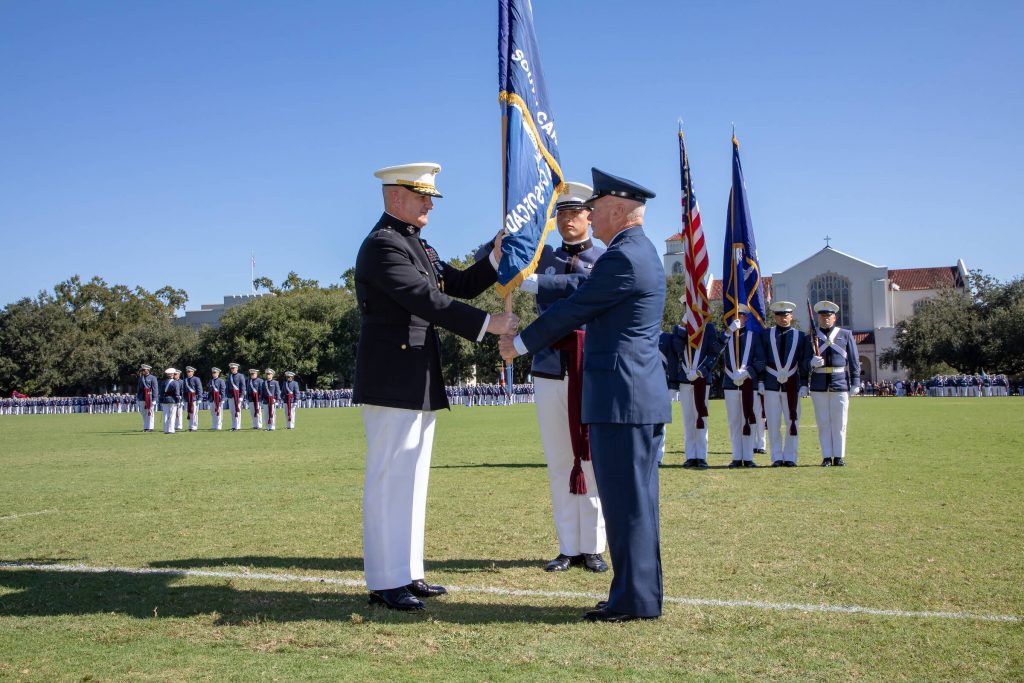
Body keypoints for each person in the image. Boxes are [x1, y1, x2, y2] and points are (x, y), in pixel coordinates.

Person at [500, 167, 670, 623]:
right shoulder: (636, 251)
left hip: (623, 397)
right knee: (634, 503)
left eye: (596, 209)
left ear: (617, 209)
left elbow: (576, 306)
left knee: (627, 504)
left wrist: (518, 343)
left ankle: (633, 599)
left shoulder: (622, 256)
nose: (591, 216)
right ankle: (635, 594)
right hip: (631, 395)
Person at [353, 162, 517, 611]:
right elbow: (428, 300)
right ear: (395, 197)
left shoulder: (414, 245)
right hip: (392, 380)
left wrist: (497, 256)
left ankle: (407, 572)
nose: (430, 204)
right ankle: (385, 581)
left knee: (412, 479)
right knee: (390, 479)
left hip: (417, 378)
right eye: (422, 195)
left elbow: (457, 283)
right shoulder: (383, 247)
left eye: (430, 197)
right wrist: (488, 323)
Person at [514, 182, 608, 574]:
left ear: (590, 216)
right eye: (562, 214)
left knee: (590, 458)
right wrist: (510, 233)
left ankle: (594, 546)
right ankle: (568, 545)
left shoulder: (605, 256)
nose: (568, 220)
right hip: (551, 365)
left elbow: (590, 289)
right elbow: (502, 261)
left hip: (591, 368)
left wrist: (543, 283)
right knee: (558, 459)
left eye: (576, 213)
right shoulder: (543, 255)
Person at [802, 300, 861, 466]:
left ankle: (839, 456)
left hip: (840, 383)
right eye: (822, 316)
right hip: (819, 385)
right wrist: (810, 363)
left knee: (840, 422)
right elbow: (803, 363)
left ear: (834, 318)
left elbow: (854, 360)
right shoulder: (811, 338)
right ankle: (827, 456)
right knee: (823, 422)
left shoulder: (845, 335)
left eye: (828, 316)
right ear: (818, 318)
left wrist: (856, 381)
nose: (825, 319)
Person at [756, 301, 808, 467]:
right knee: (773, 423)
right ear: (775, 317)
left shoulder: (800, 337)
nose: (783, 318)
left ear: (791, 316)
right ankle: (777, 456)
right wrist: (761, 381)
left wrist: (805, 383)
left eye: (786, 315)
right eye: (779, 315)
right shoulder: (765, 335)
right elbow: (761, 359)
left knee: (793, 421)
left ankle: (791, 456)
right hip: (771, 384)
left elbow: (803, 362)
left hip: (792, 385)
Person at [720, 306, 762, 468]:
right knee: (734, 422)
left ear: (746, 318)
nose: (739, 319)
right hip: (730, 384)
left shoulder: (754, 337)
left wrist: (745, 373)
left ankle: (749, 457)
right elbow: (716, 348)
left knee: (750, 419)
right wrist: (729, 332)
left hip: (749, 384)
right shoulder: (726, 336)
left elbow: (760, 361)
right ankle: (737, 456)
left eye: (742, 316)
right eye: (735, 316)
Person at [677, 321, 723, 469]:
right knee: (688, 419)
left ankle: (701, 456)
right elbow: (676, 348)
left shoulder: (708, 327)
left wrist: (701, 371)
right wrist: (683, 328)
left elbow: (713, 352)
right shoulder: (681, 327)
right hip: (685, 378)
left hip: (702, 378)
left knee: (701, 418)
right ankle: (690, 456)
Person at [136, 364, 158, 432]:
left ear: (148, 370)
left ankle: (150, 427)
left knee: (150, 412)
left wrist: (154, 399)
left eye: (144, 370)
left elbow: (155, 389)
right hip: (142, 397)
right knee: (143, 412)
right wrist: (137, 398)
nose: (142, 371)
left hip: (149, 397)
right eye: (142, 370)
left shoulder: (152, 378)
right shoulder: (141, 378)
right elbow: (138, 389)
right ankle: (146, 427)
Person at [160, 368, 182, 434]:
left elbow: (161, 393)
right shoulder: (175, 382)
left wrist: (161, 401)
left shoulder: (163, 382)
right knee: (172, 416)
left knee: (166, 415)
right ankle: (171, 429)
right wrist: (178, 401)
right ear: (173, 374)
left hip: (165, 400)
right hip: (173, 400)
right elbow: (177, 393)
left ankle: (166, 430)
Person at [225, 363, 246, 431]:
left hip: (238, 396)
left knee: (238, 411)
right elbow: (227, 387)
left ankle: (238, 426)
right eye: (231, 368)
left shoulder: (240, 376)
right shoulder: (229, 376)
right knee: (232, 411)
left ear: (237, 368)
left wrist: (242, 396)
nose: (232, 369)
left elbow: (243, 386)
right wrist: (227, 395)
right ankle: (233, 426)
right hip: (231, 396)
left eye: (233, 368)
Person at [182, 366, 203, 432]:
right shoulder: (185, 380)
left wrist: (200, 398)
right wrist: (183, 398)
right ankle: (190, 426)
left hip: (194, 398)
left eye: (189, 371)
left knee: (194, 413)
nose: (188, 373)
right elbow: (184, 390)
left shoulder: (196, 379)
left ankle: (194, 427)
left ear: (193, 372)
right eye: (187, 372)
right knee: (189, 413)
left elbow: (199, 389)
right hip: (188, 399)